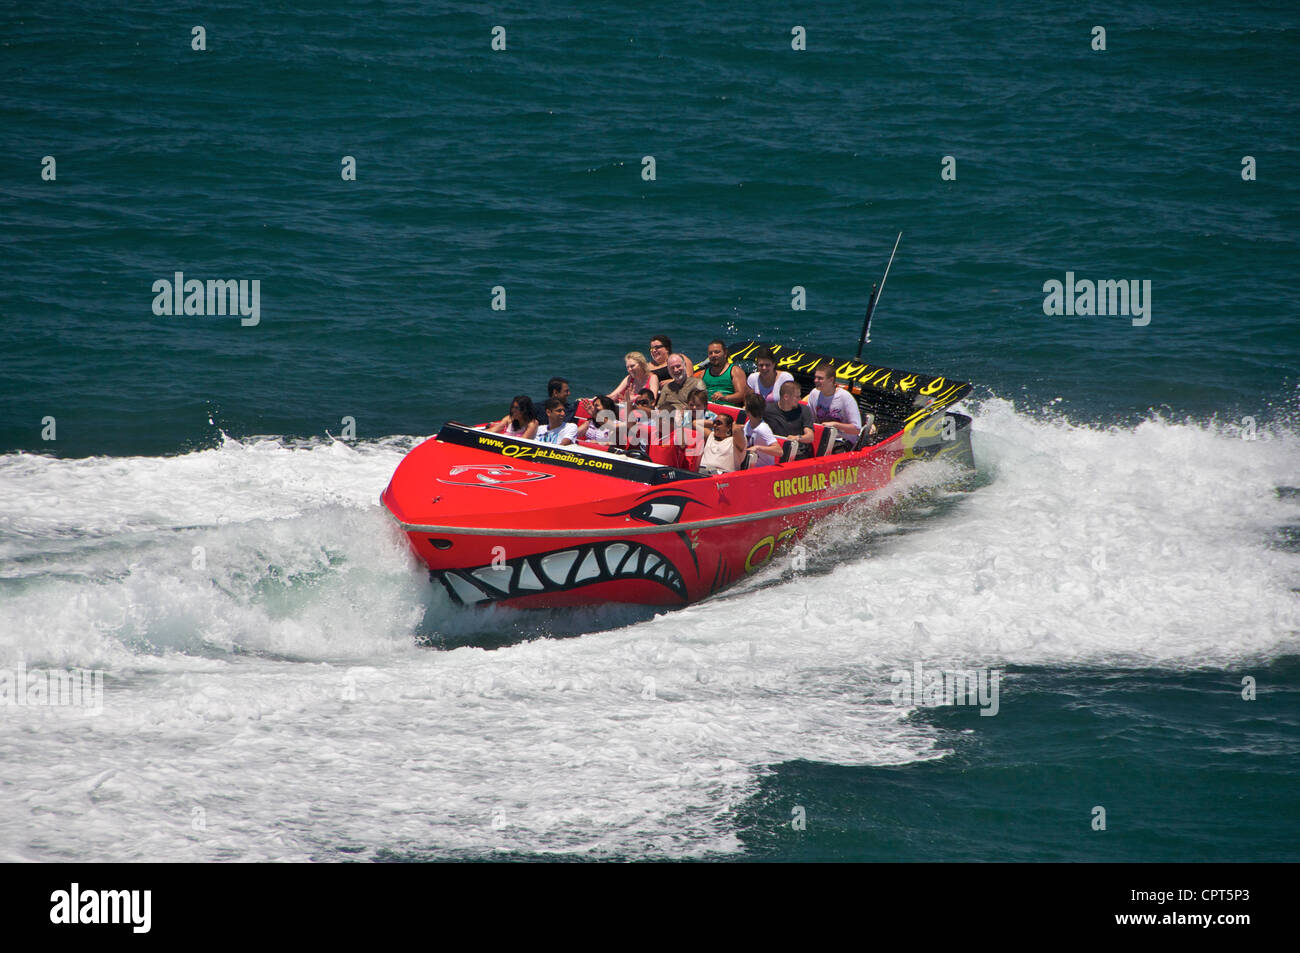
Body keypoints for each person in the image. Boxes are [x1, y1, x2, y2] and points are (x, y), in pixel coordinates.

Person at [808, 360, 870, 446]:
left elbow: (856, 429)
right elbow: (810, 420)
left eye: (820, 378)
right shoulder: (814, 394)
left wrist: (835, 425)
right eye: (815, 377)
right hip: (822, 438)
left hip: (843, 441)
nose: (815, 380)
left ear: (831, 380)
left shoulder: (845, 397)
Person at [763, 380, 816, 459]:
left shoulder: (804, 410)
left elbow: (810, 436)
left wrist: (797, 438)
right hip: (776, 452)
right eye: (797, 397)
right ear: (786, 397)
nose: (800, 399)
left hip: (799, 454)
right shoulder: (768, 410)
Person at [696, 339, 746, 405]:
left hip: (727, 410)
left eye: (717, 352)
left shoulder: (735, 371)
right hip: (706, 410)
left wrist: (724, 398)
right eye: (710, 353)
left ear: (725, 353)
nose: (713, 355)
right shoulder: (702, 374)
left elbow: (741, 395)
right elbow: (695, 395)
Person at [741, 394, 783, 467]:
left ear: (748, 410)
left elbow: (779, 451)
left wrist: (758, 448)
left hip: (764, 470)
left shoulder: (763, 429)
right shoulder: (748, 423)